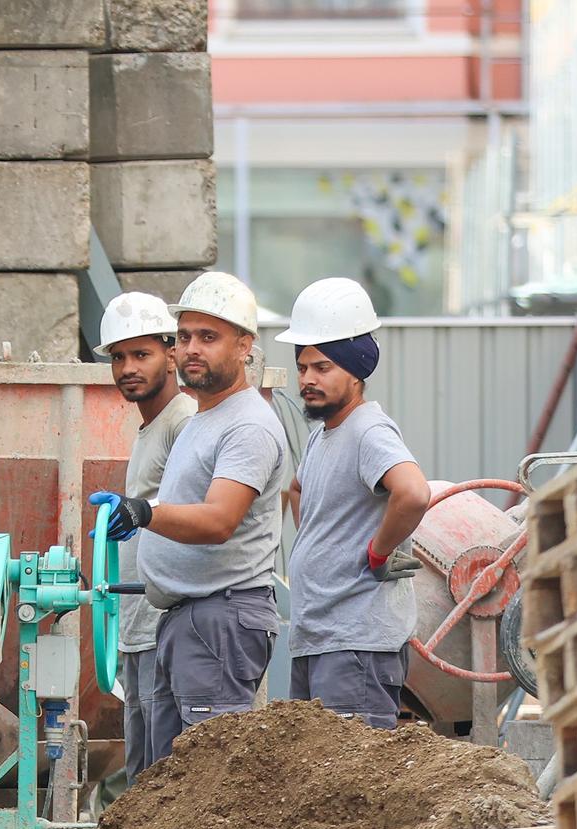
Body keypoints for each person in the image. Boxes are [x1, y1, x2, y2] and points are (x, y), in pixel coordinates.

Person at [90, 272, 288, 760]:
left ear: (244, 345)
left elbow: (219, 520)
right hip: (188, 619)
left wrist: (142, 513)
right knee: (168, 783)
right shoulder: (205, 418)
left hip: (218, 619)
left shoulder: (247, 425)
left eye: (209, 337)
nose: (192, 349)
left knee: (204, 778)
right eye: (185, 336)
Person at [277, 278, 429, 729]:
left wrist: (378, 552)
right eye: (302, 367)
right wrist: (322, 545)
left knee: (349, 771)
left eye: (322, 367)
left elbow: (413, 493)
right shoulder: (323, 435)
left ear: (356, 368)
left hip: (356, 646)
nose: (307, 379)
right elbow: (296, 489)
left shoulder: (368, 431)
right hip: (320, 639)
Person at [93, 292, 195, 784]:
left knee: (159, 780)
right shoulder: (151, 427)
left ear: (171, 355)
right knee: (141, 777)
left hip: (163, 627)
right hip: (137, 627)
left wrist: (139, 513)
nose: (128, 368)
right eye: (118, 357)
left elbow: (196, 517)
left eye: (141, 354)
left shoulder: (183, 422)